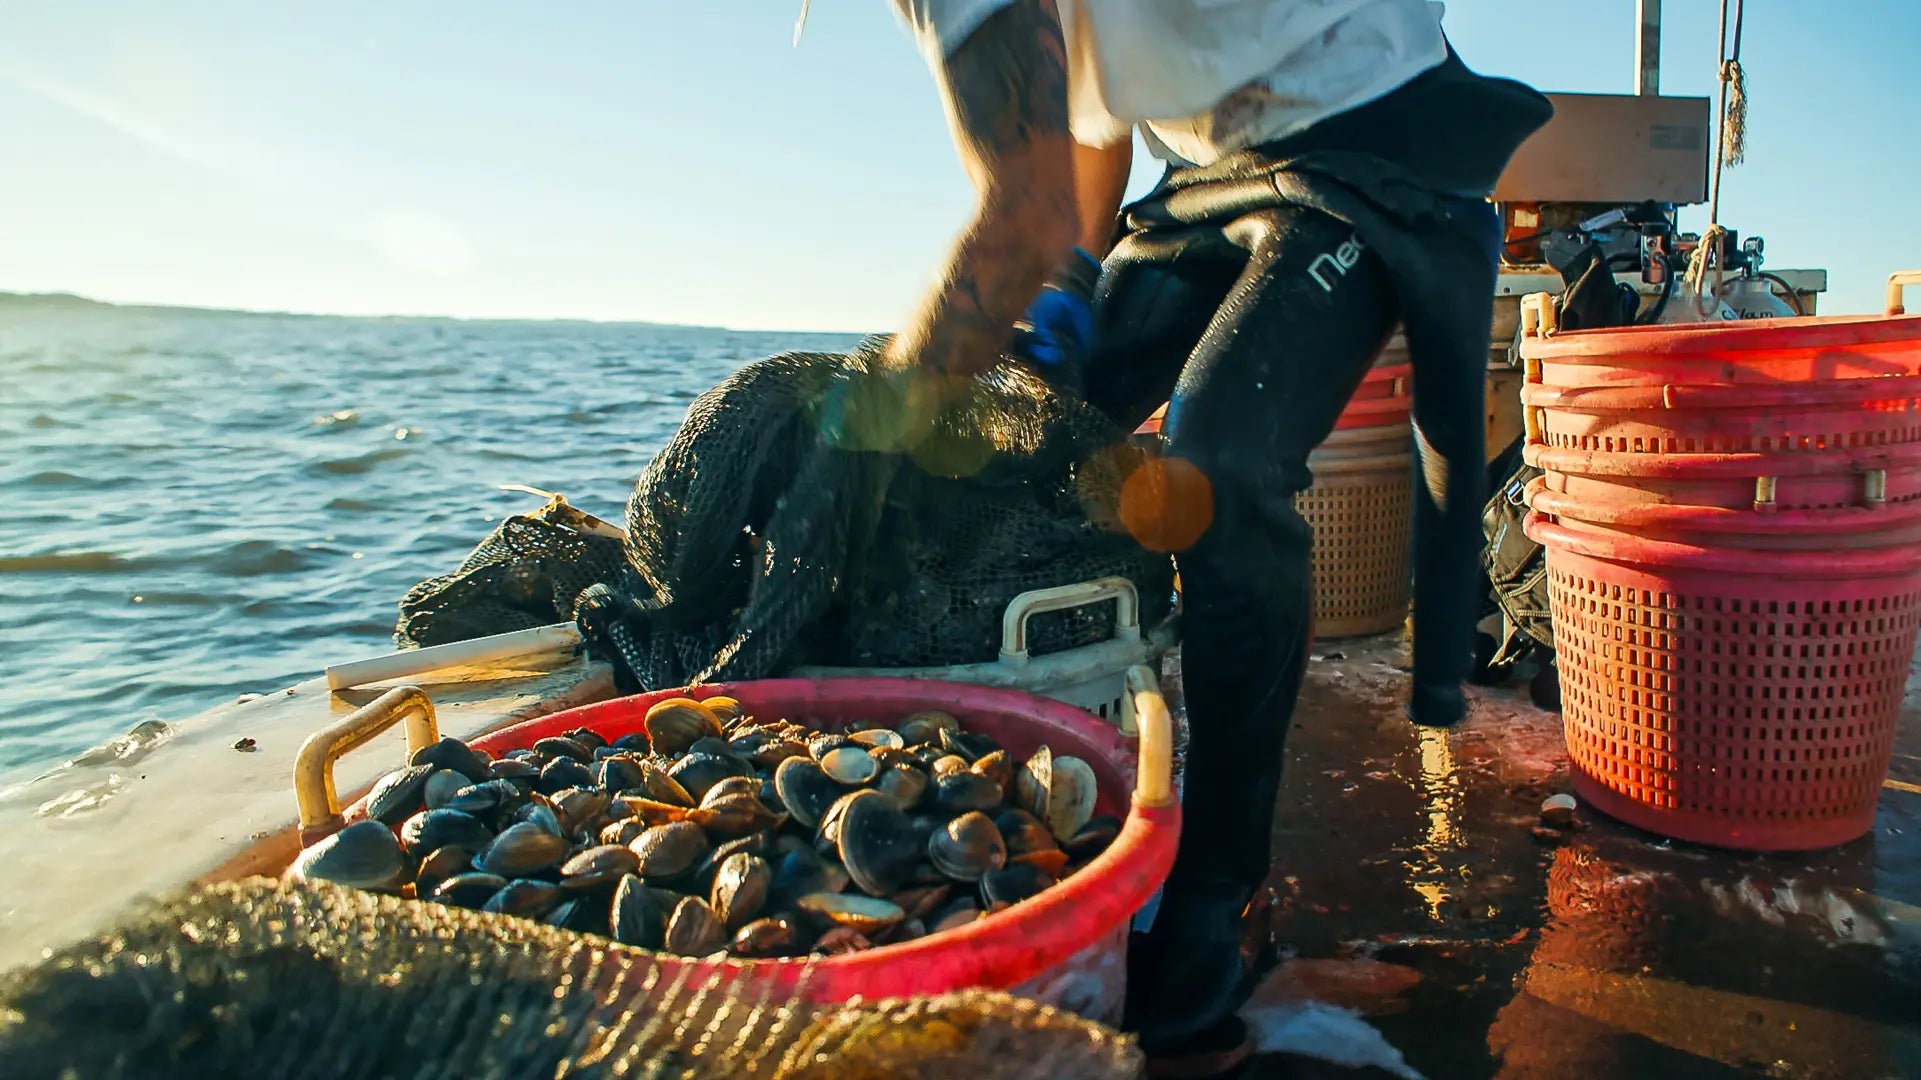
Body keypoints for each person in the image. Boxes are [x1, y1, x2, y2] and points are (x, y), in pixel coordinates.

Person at [882, 2, 1552, 1074]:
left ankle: (1222, 884)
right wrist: (1069, 288)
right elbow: (1080, 127)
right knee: (1035, 436)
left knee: (1217, 467)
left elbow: (1016, 206)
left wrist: (879, 425)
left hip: (1379, 131)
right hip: (1206, 177)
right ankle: (1043, 788)